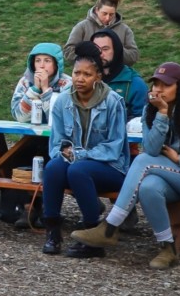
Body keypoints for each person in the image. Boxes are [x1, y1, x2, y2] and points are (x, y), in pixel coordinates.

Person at [70, 63, 180, 269]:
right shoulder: (150, 110)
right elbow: (152, 150)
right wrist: (162, 114)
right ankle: (168, 248)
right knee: (149, 187)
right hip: (171, 178)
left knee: (142, 161)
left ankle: (110, 227)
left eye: (166, 85)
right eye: (155, 85)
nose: (158, 90)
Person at [40, 42, 130, 258]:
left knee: (78, 170)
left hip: (111, 167)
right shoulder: (62, 101)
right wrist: (63, 153)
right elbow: (56, 142)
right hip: (75, 164)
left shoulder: (113, 102)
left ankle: (94, 237)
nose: (80, 78)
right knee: (53, 167)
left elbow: (114, 147)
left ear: (98, 76)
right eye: (76, 73)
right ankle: (52, 231)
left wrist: (79, 155)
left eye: (87, 74)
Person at [4, 43, 73, 227]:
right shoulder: (25, 82)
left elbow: (61, 116)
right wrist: (33, 89)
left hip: (59, 139)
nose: (42, 66)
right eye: (38, 61)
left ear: (57, 64)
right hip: (30, 137)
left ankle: (47, 210)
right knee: (16, 158)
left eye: (47, 61)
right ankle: (27, 208)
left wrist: (45, 91)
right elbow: (19, 115)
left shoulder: (67, 84)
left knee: (51, 162)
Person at [63, 0, 139, 67]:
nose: (107, 18)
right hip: (88, 73)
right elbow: (68, 51)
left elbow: (133, 56)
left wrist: (116, 49)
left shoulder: (125, 30)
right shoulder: (82, 27)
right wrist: (87, 60)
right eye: (104, 13)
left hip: (116, 74)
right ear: (96, 10)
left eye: (111, 14)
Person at [90, 29, 148, 120]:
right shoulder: (86, 79)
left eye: (105, 49)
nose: (100, 54)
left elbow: (141, 122)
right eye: (96, 49)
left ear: (116, 50)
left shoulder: (134, 84)